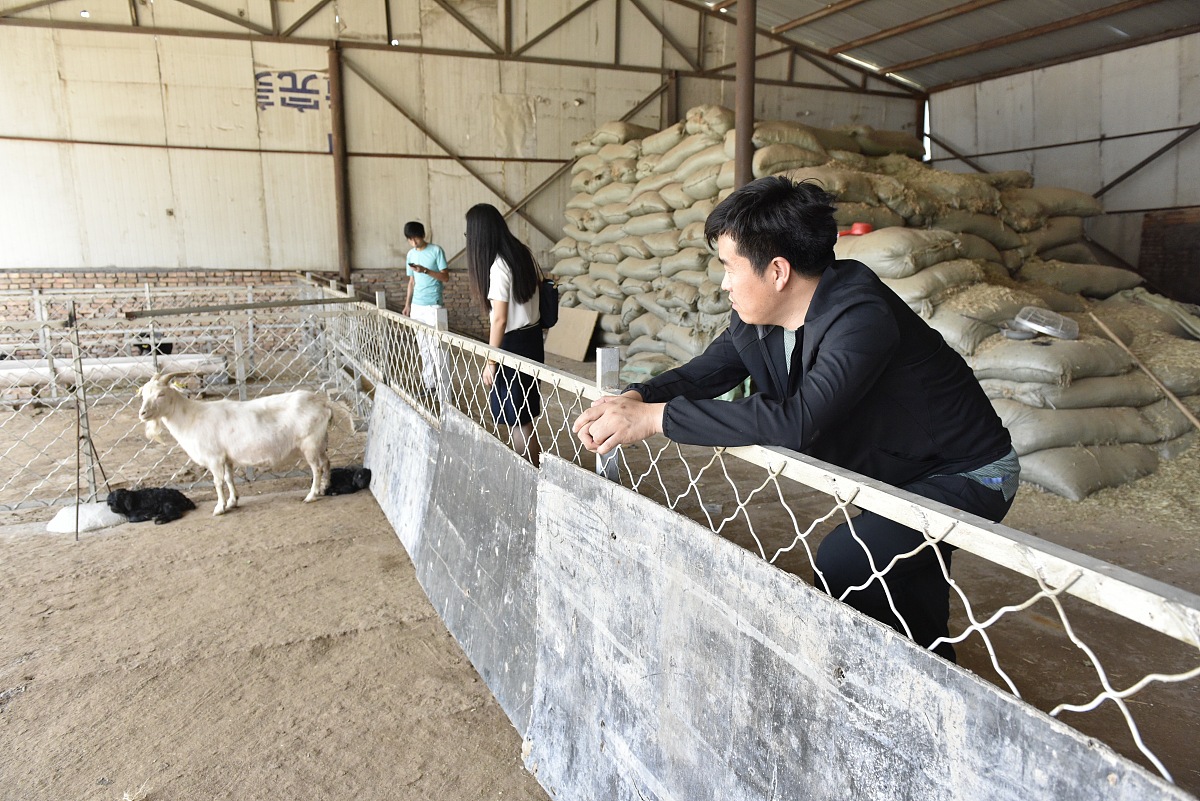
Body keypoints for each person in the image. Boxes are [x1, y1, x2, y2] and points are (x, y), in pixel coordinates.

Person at [572, 176, 1019, 662]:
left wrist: (657, 419)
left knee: (851, 561)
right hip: (894, 474)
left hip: (965, 473)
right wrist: (634, 398)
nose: (723, 284)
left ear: (778, 271)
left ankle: (898, 681)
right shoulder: (756, 320)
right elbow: (704, 374)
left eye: (728, 267)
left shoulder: (861, 317)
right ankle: (926, 683)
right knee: (905, 595)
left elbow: (798, 421)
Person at [465, 203, 545, 467]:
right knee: (524, 416)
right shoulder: (521, 253)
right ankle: (533, 469)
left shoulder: (499, 265)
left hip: (511, 346)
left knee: (516, 418)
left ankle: (529, 474)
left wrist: (490, 361)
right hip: (532, 340)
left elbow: (499, 319)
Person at [401, 221, 450, 396]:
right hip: (417, 306)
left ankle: (444, 387)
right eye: (410, 239)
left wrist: (426, 271)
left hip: (433, 305)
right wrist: (408, 304)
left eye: (416, 238)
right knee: (423, 347)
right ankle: (430, 385)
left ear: (422, 235)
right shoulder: (410, 254)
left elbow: (445, 277)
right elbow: (411, 281)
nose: (413, 242)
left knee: (437, 346)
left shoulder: (436, 251)